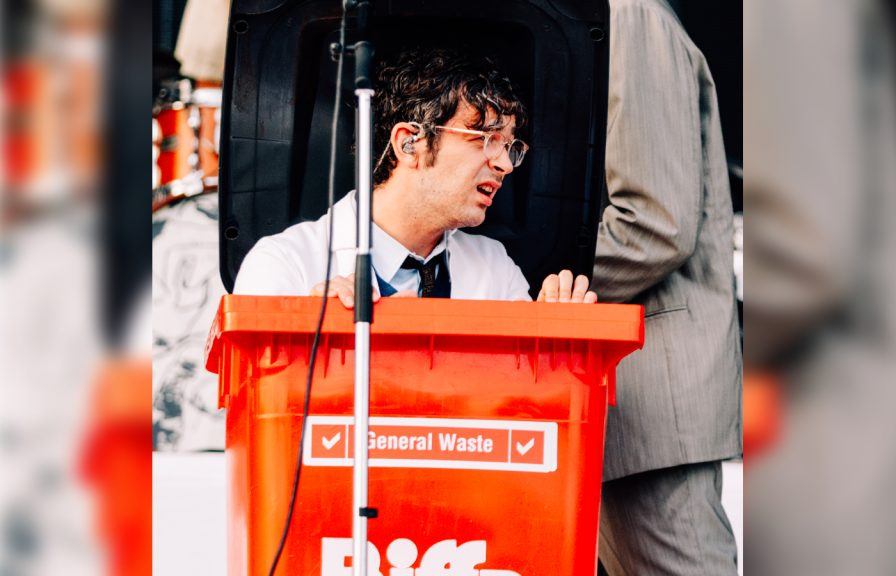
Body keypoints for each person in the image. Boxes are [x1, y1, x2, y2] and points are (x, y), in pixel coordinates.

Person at [234, 48, 596, 304]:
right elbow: (259, 406)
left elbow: (520, 410)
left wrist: (552, 352)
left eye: (510, 146)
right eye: (485, 139)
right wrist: (308, 335)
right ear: (409, 143)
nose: (505, 164)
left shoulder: (495, 269)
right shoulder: (285, 264)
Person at [591, 0, 742, 574]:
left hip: (651, 390)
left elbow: (654, 224)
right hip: (615, 385)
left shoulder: (632, 16)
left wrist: (522, 292)